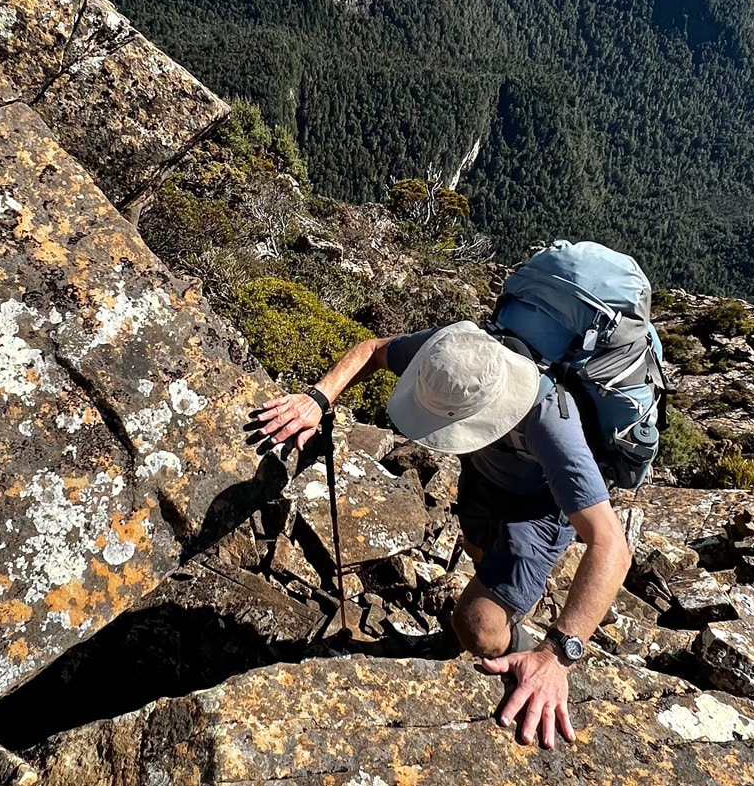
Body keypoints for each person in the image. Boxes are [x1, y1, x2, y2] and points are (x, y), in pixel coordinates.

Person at [256, 319, 632, 751]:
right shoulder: (451, 356)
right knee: (477, 550)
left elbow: (611, 546)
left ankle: (519, 647)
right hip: (487, 479)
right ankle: (502, 605)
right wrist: (317, 398)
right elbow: (375, 348)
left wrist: (557, 657)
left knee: (475, 623)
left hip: (539, 507)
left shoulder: (552, 424)